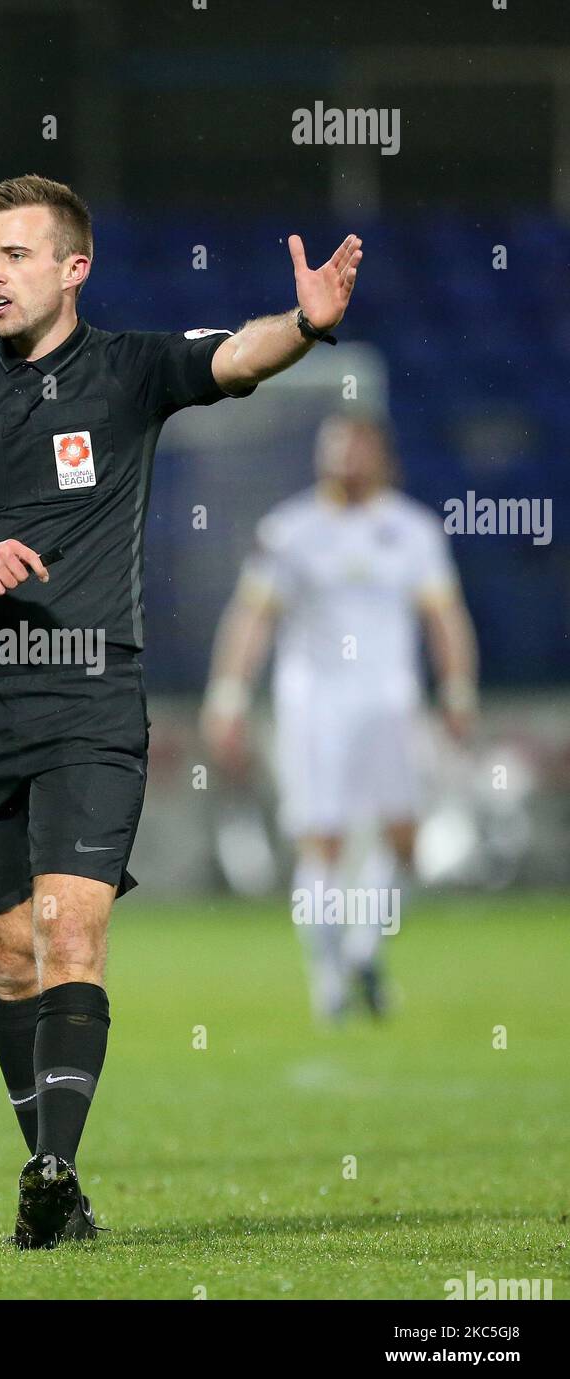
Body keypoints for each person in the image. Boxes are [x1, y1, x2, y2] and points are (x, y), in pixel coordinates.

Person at [0, 173, 362, 1247]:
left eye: (14, 255)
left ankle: (51, 1169)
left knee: (70, 929)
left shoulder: (129, 369)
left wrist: (306, 324)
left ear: (72, 267)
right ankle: (54, 1176)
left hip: (93, 695)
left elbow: (235, 355)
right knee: (10, 955)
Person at [201, 415, 479, 1019]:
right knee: (321, 841)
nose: (344, 456)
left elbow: (444, 617)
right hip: (313, 705)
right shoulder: (290, 530)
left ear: (380, 453)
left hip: (391, 702)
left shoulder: (412, 529)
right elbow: (252, 618)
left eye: (356, 445)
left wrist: (457, 690)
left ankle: (361, 949)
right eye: (334, 446)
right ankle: (328, 981)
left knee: (403, 837)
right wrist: (228, 695)